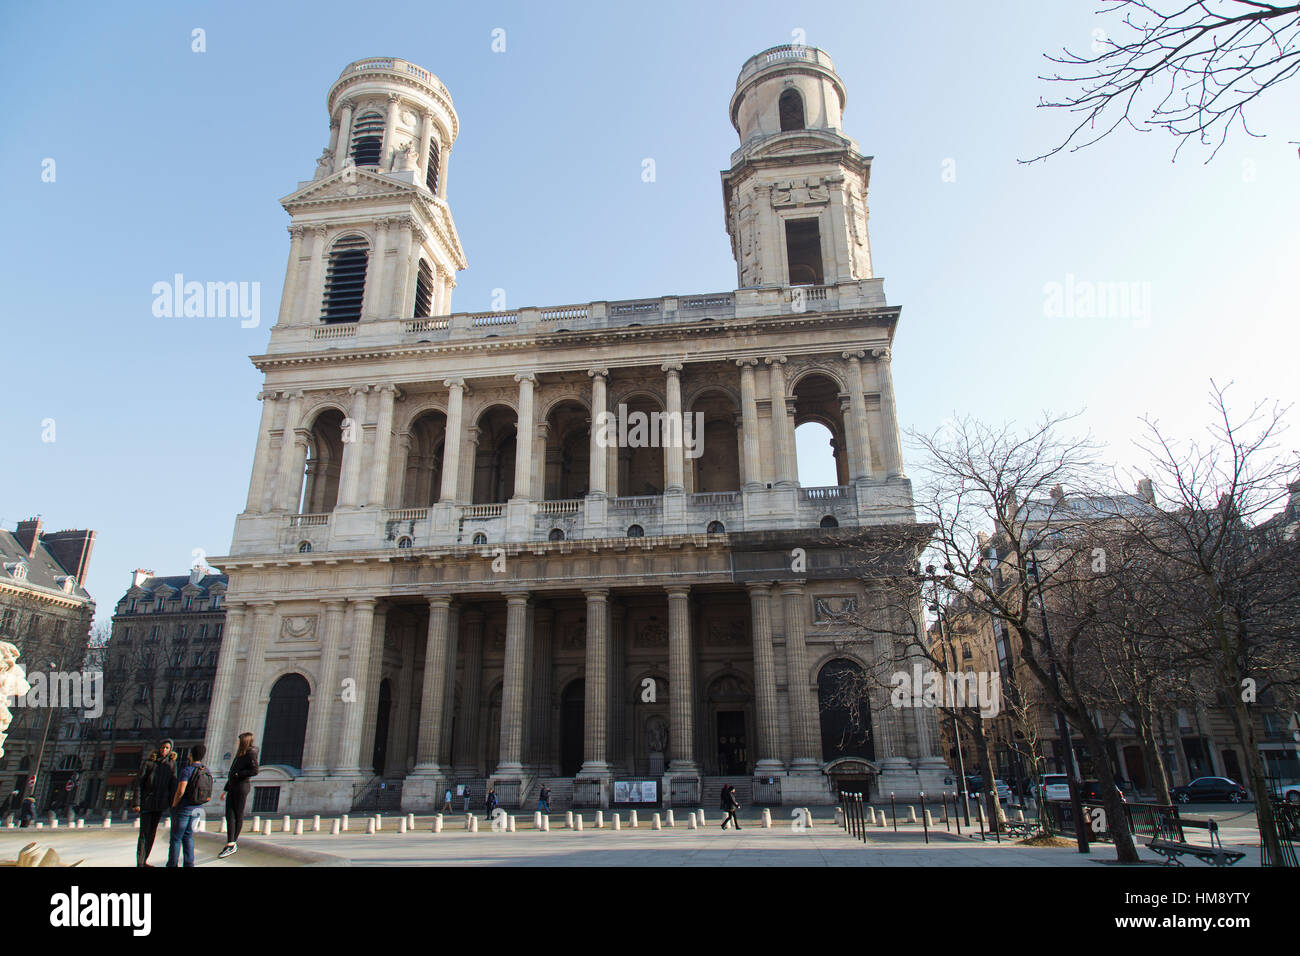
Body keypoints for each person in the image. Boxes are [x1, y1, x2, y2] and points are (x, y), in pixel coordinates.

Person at [132, 738, 177, 867]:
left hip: (160, 803)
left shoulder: (171, 764)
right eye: (163, 747)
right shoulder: (149, 763)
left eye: (167, 748)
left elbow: (173, 785)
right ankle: (140, 863)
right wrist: (136, 803)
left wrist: (172, 804)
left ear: (170, 750)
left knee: (152, 833)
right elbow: (139, 784)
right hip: (147, 802)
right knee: (144, 833)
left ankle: (144, 860)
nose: (164, 750)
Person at [166, 744, 210, 868]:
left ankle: (172, 864)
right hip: (198, 808)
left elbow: (180, 791)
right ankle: (189, 863)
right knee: (189, 835)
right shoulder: (206, 770)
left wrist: (174, 805)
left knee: (176, 838)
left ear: (191, 755)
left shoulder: (187, 770)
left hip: (184, 807)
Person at [218, 732, 259, 859]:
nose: (236, 741)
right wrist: (226, 788)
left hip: (241, 787)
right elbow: (232, 772)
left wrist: (238, 775)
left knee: (237, 814)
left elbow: (254, 771)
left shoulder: (250, 753)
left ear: (244, 741)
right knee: (229, 814)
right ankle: (230, 842)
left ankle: (232, 843)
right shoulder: (240, 754)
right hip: (233, 786)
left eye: (239, 740)